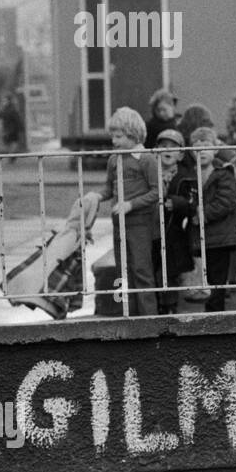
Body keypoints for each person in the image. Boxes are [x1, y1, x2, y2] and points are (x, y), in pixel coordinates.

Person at [80, 107, 160, 316]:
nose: (114, 141)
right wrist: (98, 196)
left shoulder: (146, 159)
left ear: (133, 135)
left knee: (141, 270)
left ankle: (148, 317)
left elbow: (157, 191)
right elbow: (109, 187)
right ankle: (129, 314)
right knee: (123, 271)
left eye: (118, 136)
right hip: (119, 225)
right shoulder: (114, 160)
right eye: (112, 136)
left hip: (139, 223)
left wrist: (131, 205)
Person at [187, 126, 236, 314]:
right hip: (198, 234)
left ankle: (215, 312)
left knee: (218, 278)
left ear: (216, 149)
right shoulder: (189, 175)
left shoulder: (224, 172)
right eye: (196, 146)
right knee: (204, 275)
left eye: (206, 145)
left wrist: (204, 213)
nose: (201, 151)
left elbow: (226, 201)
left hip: (220, 236)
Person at [152, 128, 197, 313]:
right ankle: (156, 307)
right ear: (155, 151)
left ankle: (170, 308)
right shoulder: (150, 173)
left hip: (175, 233)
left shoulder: (186, 177)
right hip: (152, 231)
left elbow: (193, 203)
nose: (167, 150)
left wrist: (178, 203)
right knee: (153, 272)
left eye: (172, 147)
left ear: (180, 154)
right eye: (163, 146)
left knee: (170, 273)